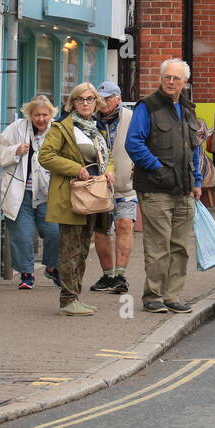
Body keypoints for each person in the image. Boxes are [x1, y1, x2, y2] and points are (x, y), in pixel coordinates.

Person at [125, 58, 203, 314]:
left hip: (184, 189)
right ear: (161, 78)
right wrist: (158, 168)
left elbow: (193, 149)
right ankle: (154, 297)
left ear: (185, 82)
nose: (171, 82)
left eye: (176, 78)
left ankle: (172, 296)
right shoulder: (147, 106)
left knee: (179, 247)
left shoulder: (189, 110)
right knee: (158, 246)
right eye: (167, 77)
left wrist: (197, 182)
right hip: (155, 189)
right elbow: (134, 143)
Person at [39, 82, 114, 316]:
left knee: (82, 249)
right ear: (72, 102)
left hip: (94, 195)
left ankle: (75, 297)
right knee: (70, 249)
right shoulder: (61, 127)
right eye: (80, 99)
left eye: (90, 99)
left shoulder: (97, 127)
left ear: (96, 103)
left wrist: (109, 169)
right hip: (71, 196)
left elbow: (106, 156)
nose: (85, 103)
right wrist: (74, 168)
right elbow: (46, 156)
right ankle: (68, 299)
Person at [0, 95, 61, 290]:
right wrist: (16, 150)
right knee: (22, 235)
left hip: (49, 193)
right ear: (29, 114)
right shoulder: (17, 128)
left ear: (51, 114)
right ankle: (26, 274)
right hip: (21, 192)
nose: (41, 119)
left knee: (54, 232)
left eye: (45, 114)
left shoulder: (58, 131)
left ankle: (51, 267)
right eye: (36, 115)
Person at [90, 82, 137, 295]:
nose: (104, 102)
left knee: (125, 224)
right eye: (101, 98)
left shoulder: (132, 118)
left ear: (118, 98)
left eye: (109, 98)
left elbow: (145, 141)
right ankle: (107, 275)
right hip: (98, 187)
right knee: (100, 231)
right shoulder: (90, 121)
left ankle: (120, 275)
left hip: (126, 186)